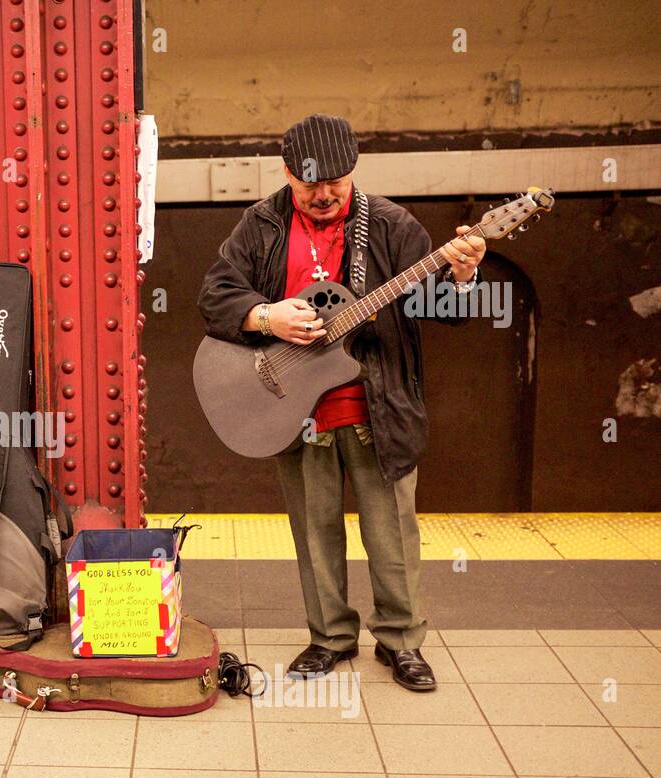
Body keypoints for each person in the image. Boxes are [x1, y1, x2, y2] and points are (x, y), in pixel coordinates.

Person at [198, 113, 486, 691]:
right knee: (313, 529)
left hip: (379, 405)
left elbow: (432, 311)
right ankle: (329, 638)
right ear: (286, 174)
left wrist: (461, 278)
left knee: (392, 534)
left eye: (336, 181)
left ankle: (401, 642)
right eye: (310, 186)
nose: (325, 195)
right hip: (296, 407)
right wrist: (267, 315)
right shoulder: (260, 225)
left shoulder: (391, 225)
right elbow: (216, 294)